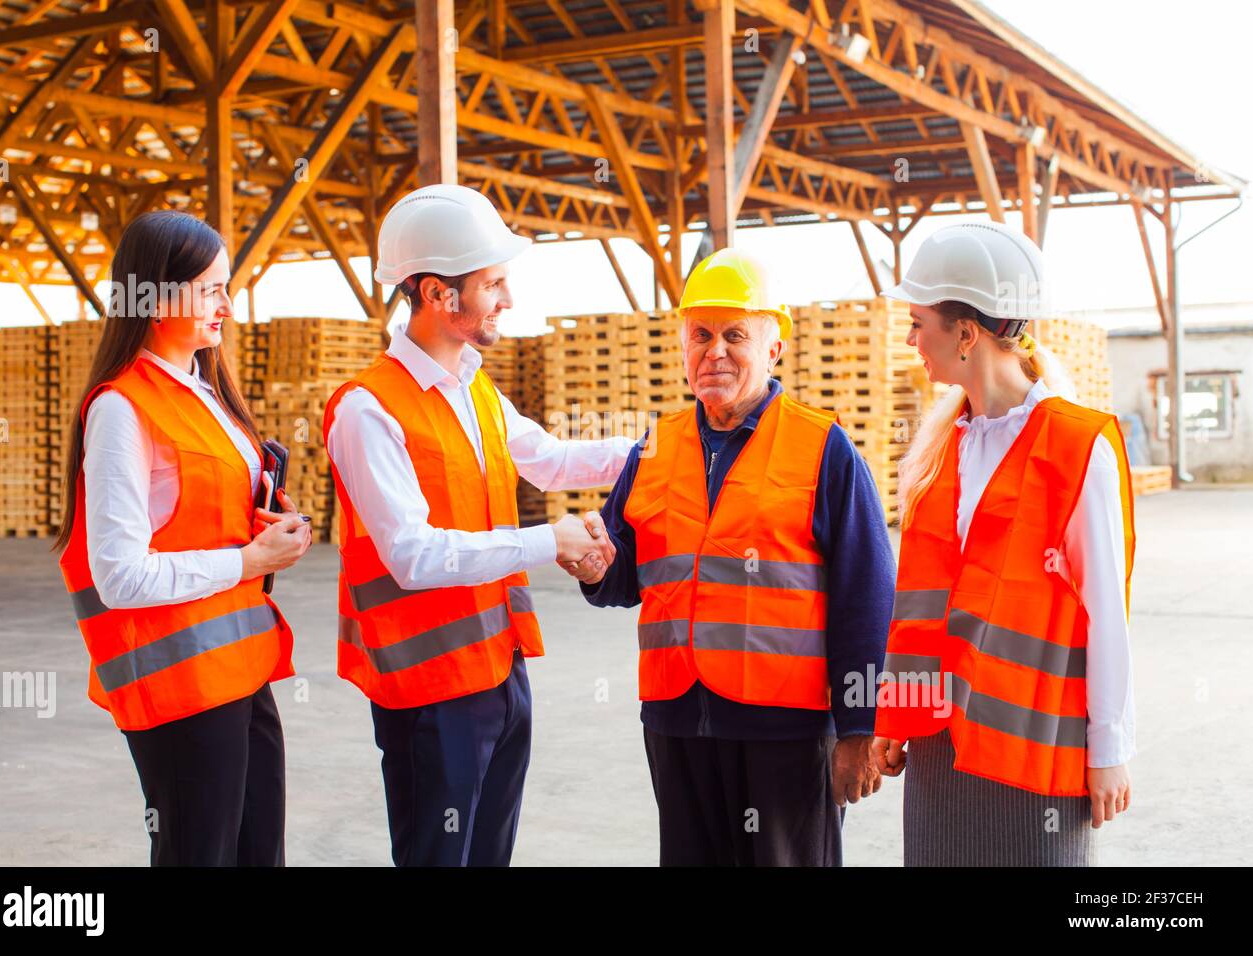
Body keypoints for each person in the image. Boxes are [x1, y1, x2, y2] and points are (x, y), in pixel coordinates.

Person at [324, 183, 632, 867]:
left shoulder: (474, 386)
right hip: (429, 695)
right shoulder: (367, 411)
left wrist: (657, 448)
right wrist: (549, 541)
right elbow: (411, 555)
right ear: (438, 293)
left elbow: (548, 461)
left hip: (499, 675)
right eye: (493, 283)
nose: (508, 300)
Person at [567, 248, 896, 866]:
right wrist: (593, 569)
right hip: (676, 720)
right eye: (700, 335)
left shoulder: (822, 448)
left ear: (774, 348)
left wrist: (859, 728)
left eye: (734, 335)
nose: (713, 350)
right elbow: (622, 574)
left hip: (787, 732)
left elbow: (867, 595)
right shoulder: (655, 448)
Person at [871, 221, 1136, 866]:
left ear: (966, 332)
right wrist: (899, 717)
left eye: (919, 322)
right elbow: (925, 609)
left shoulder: (1079, 449)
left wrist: (1108, 751)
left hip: (1033, 750)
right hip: (941, 749)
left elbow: (1107, 615)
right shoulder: (940, 452)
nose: (910, 339)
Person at [56, 210, 312, 866]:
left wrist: (265, 529)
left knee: (258, 855)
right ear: (155, 294)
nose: (227, 304)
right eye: (211, 289)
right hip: (181, 687)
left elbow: (202, 517)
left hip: (240, 670)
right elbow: (120, 576)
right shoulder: (122, 409)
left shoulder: (205, 394)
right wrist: (247, 558)